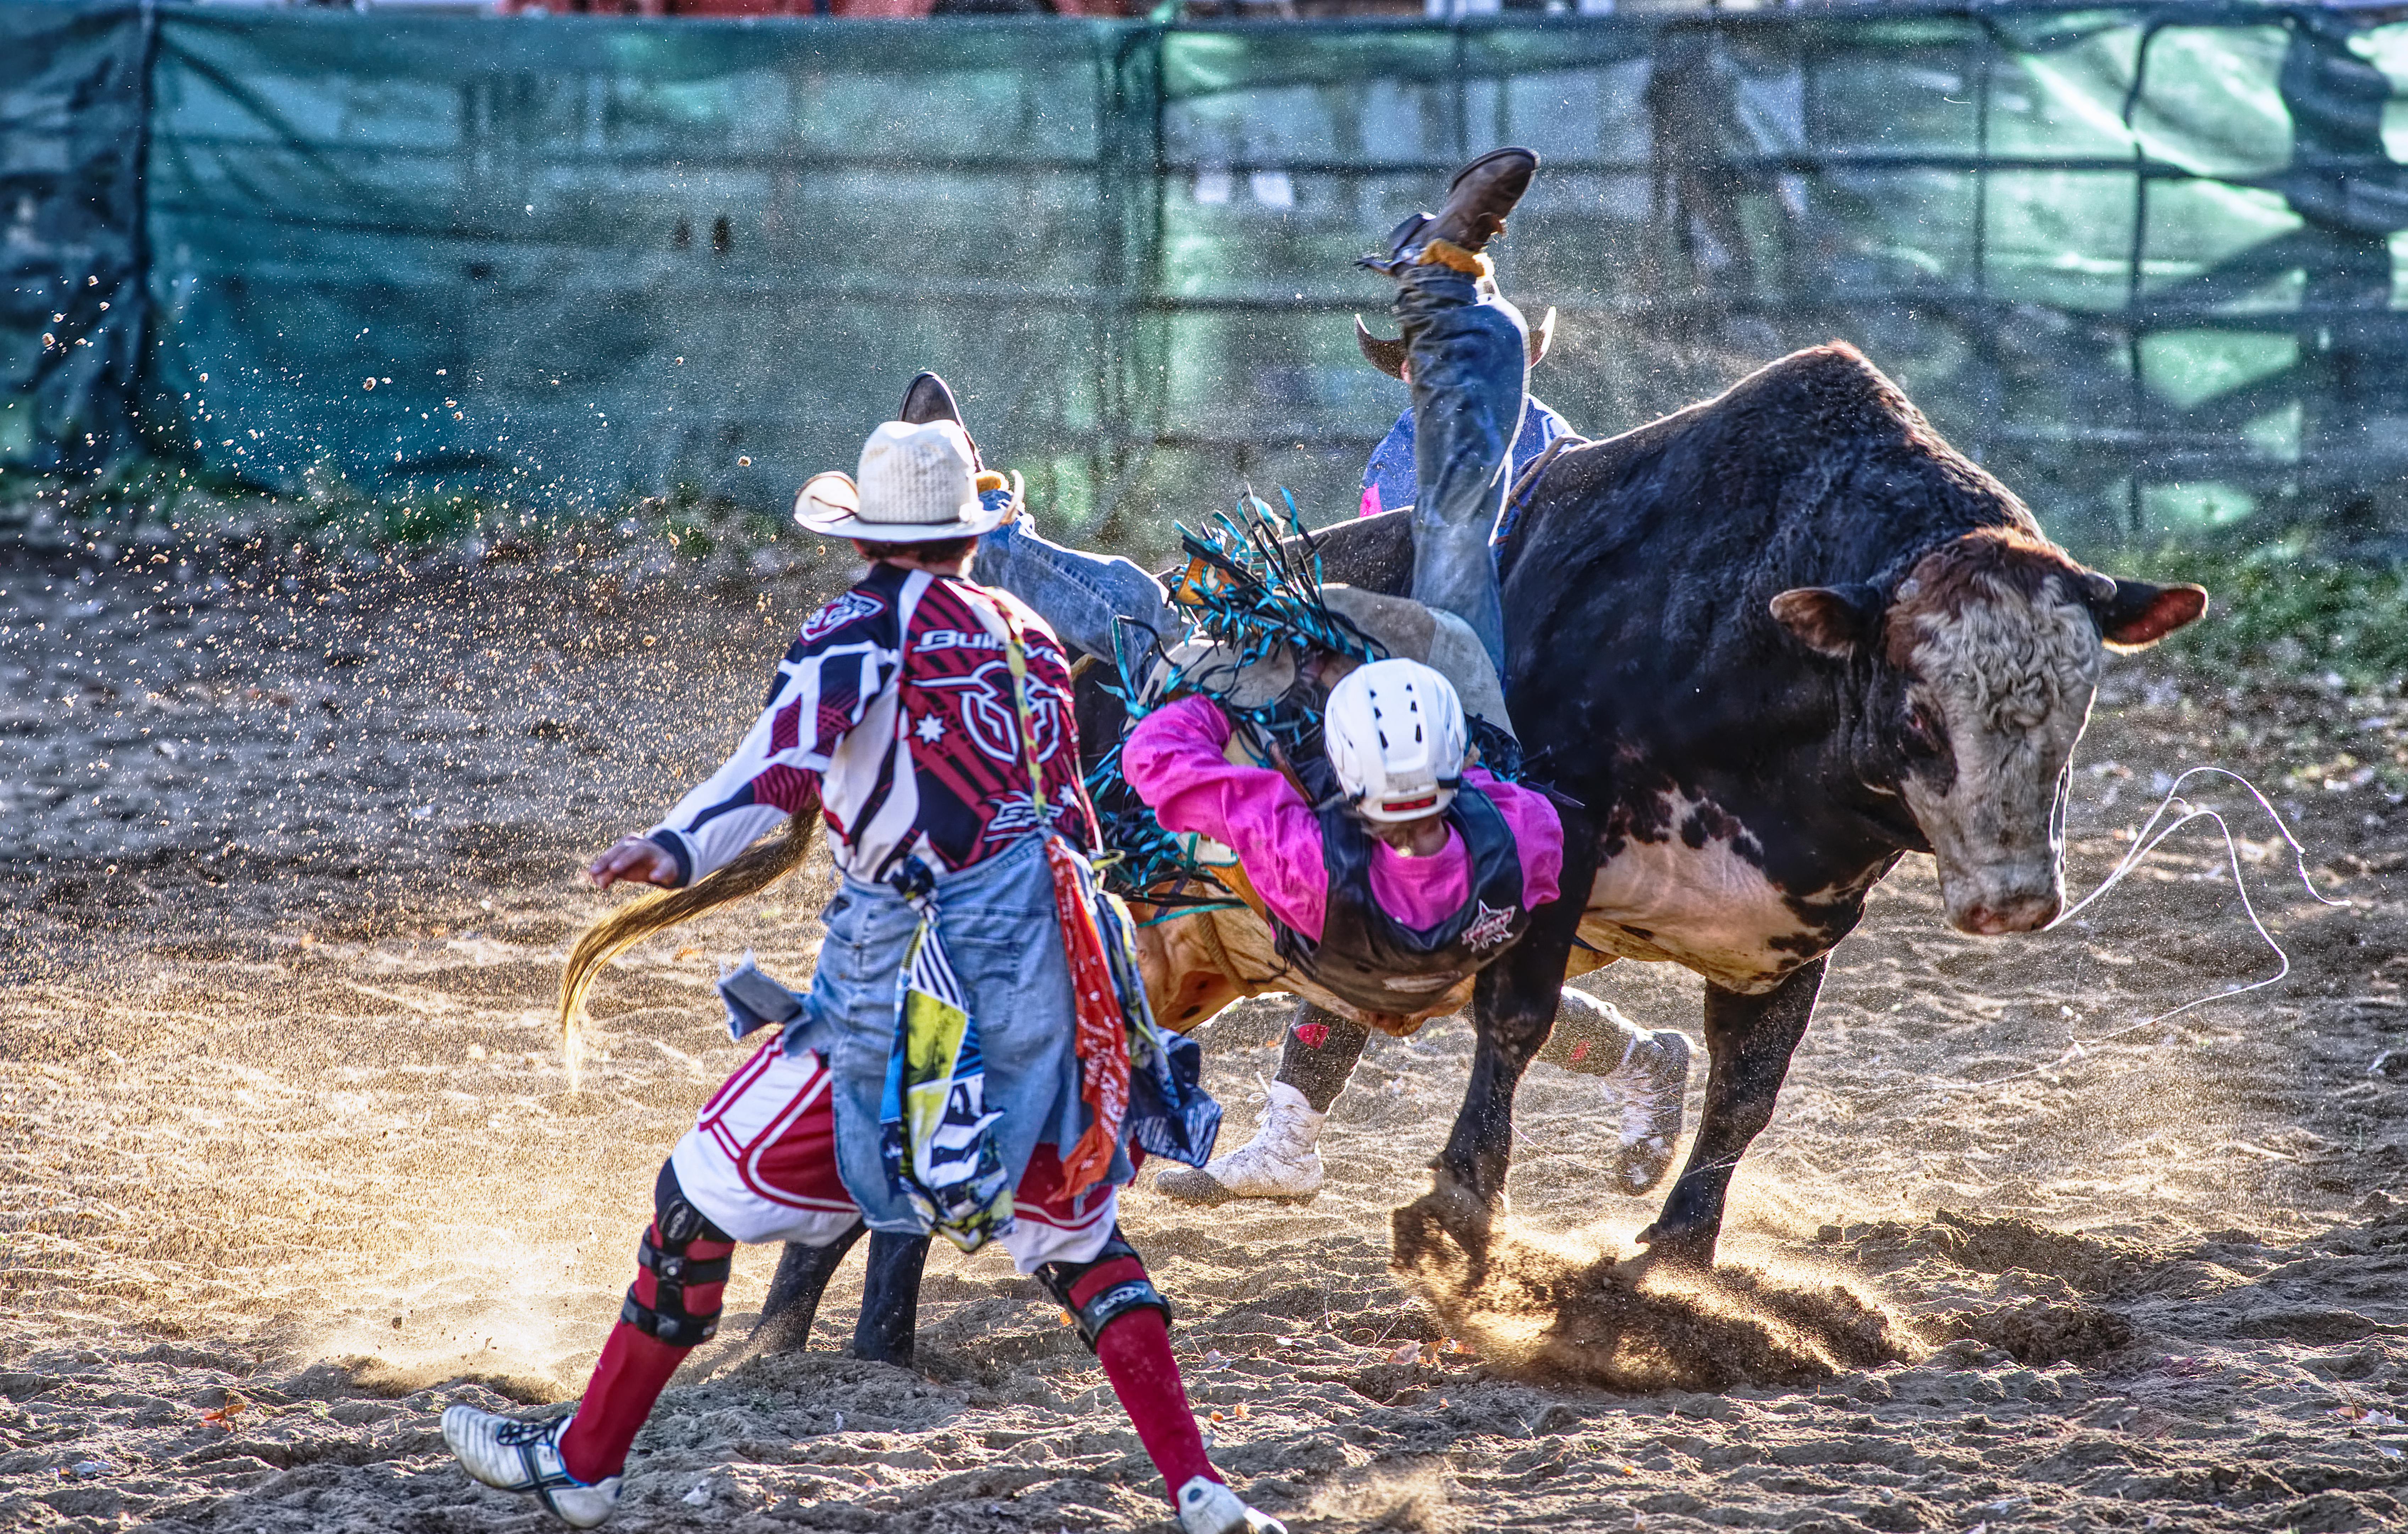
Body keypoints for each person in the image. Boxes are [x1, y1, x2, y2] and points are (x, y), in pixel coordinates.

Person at [440, 418, 1279, 1534]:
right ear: (974, 536)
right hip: (1058, 974)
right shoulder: (1029, 633)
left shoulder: (858, 625)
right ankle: (1199, 1489)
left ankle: (584, 1463)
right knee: (1079, 1242)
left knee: (695, 1196)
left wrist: (674, 848)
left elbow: (778, 768)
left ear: (863, 539)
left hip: (908, 989)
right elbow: (1071, 819)